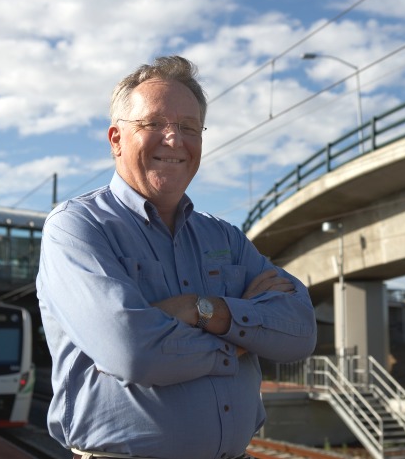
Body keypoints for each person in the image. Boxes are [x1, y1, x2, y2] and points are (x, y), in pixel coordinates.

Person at [36, 55, 317, 459]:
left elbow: (300, 331)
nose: (174, 140)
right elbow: (133, 351)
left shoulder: (225, 236)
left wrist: (200, 310)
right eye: (154, 124)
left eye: (189, 127)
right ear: (116, 139)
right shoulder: (78, 228)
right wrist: (241, 341)